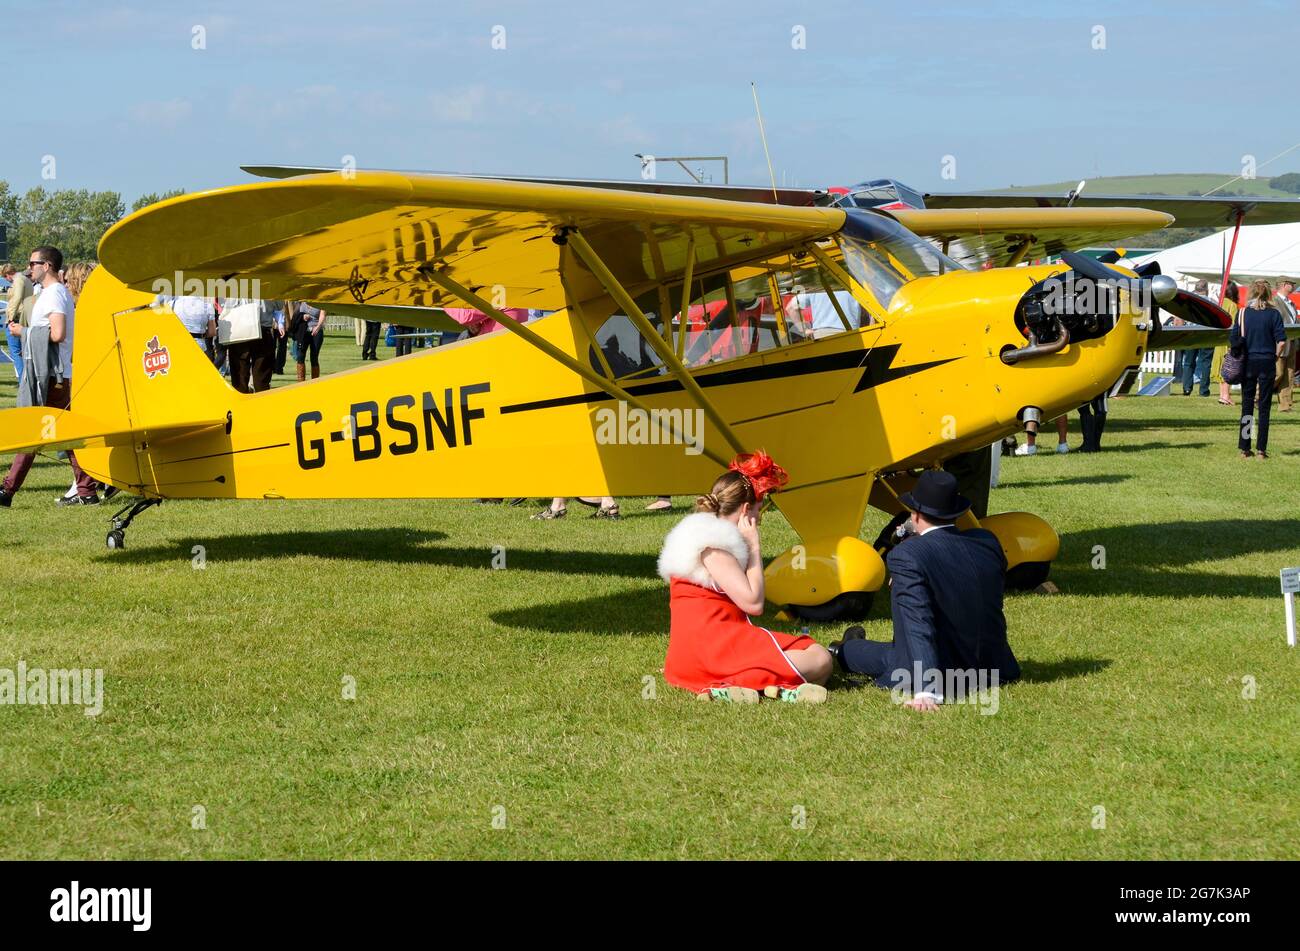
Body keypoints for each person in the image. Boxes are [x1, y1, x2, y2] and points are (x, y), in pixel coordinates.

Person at [828, 470, 1019, 711]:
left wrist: (927, 690)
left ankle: (842, 649)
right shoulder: (986, 541)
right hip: (994, 666)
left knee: (878, 655)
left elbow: (918, 621)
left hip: (941, 672)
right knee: (891, 652)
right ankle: (846, 647)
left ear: (916, 515)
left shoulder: (906, 556)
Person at [657, 452, 830, 703]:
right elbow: (754, 603)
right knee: (821, 660)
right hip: (711, 653)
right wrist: (754, 547)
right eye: (759, 510)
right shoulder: (713, 548)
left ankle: (767, 685)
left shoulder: (703, 537)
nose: (760, 518)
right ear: (746, 509)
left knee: (814, 652)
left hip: (702, 650)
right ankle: (740, 684)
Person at [0, 246, 99, 507]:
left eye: (33, 263)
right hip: (55, 374)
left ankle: (8, 490)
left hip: (52, 376)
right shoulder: (52, 293)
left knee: (34, 431)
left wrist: (24, 331)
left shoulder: (54, 294)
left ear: (47, 266)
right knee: (65, 436)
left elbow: (57, 334)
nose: (28, 267)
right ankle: (87, 490)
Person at [1231, 279, 1286, 459]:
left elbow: (1233, 339)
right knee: (1264, 407)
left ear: (1251, 292)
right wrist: (1275, 356)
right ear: (1269, 293)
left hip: (1248, 362)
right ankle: (1262, 449)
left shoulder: (1242, 313)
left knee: (1247, 406)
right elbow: (1282, 341)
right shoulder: (1274, 314)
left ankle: (1245, 448)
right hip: (1267, 361)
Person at [222, 296, 277, 392]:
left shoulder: (238, 283)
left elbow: (228, 306)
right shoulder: (271, 284)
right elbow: (279, 305)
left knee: (240, 378)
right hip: (262, 329)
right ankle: (261, 404)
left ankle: (242, 405)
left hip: (241, 330)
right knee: (261, 380)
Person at [1180, 280, 1215, 397]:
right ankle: (1204, 390)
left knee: (1189, 362)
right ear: (1207, 289)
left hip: (1192, 333)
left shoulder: (1189, 301)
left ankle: (1186, 388)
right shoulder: (1212, 302)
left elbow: (1182, 317)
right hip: (1207, 333)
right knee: (1206, 363)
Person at [3, 263, 34, 382]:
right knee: (24, 353)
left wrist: (10, 318)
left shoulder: (18, 280)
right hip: (25, 319)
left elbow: (16, 298)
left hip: (16, 319)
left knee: (16, 353)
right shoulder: (26, 279)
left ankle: (23, 382)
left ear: (7, 275)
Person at [1273, 278, 1297, 412]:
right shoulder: (1274, 301)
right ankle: (1257, 397)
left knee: (1289, 374)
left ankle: (1285, 405)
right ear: (1283, 285)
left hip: (1292, 342)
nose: (1293, 286)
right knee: (1278, 373)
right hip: (1279, 342)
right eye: (1291, 284)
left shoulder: (1291, 303)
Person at [1215, 281, 1240, 405]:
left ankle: (1222, 395)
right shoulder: (1232, 305)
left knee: (1221, 368)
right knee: (1230, 367)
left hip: (1219, 340)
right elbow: (1235, 325)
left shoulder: (1219, 303)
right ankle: (1225, 396)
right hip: (1228, 340)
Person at [289, 300, 327, 381]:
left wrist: (318, 327)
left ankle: (315, 382)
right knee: (300, 356)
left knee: (314, 357)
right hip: (303, 332)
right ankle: (301, 381)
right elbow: (296, 315)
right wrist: (302, 317)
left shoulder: (321, 302)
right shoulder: (301, 301)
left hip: (316, 332)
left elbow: (322, 315)